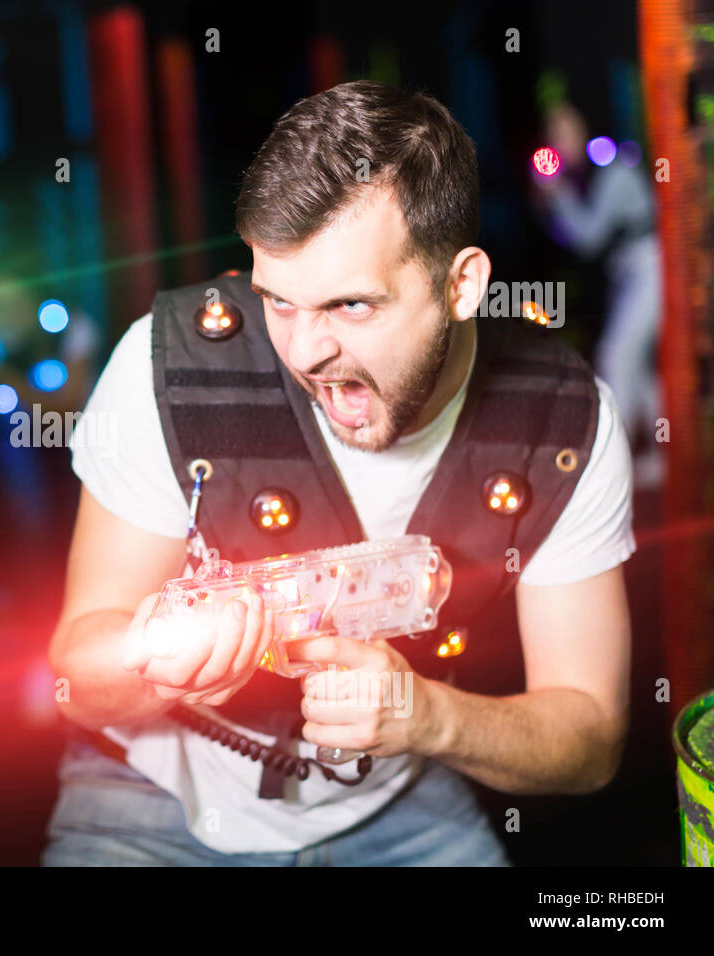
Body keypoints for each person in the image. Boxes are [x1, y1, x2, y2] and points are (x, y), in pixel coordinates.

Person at [44, 81, 634, 866]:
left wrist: (424, 716)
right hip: (148, 793)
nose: (305, 354)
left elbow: (591, 737)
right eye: (278, 302)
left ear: (462, 285)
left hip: (398, 796)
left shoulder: (565, 420)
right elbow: (77, 674)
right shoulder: (167, 363)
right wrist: (157, 660)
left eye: (351, 306)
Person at [535, 101, 662, 485]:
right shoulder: (589, 172)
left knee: (617, 353)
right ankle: (666, 455)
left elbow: (588, 238)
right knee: (640, 367)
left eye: (567, 130)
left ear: (585, 128)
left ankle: (615, 461)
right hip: (634, 273)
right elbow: (575, 239)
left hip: (651, 268)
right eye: (555, 133)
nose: (561, 141)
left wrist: (557, 194)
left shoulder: (612, 167)